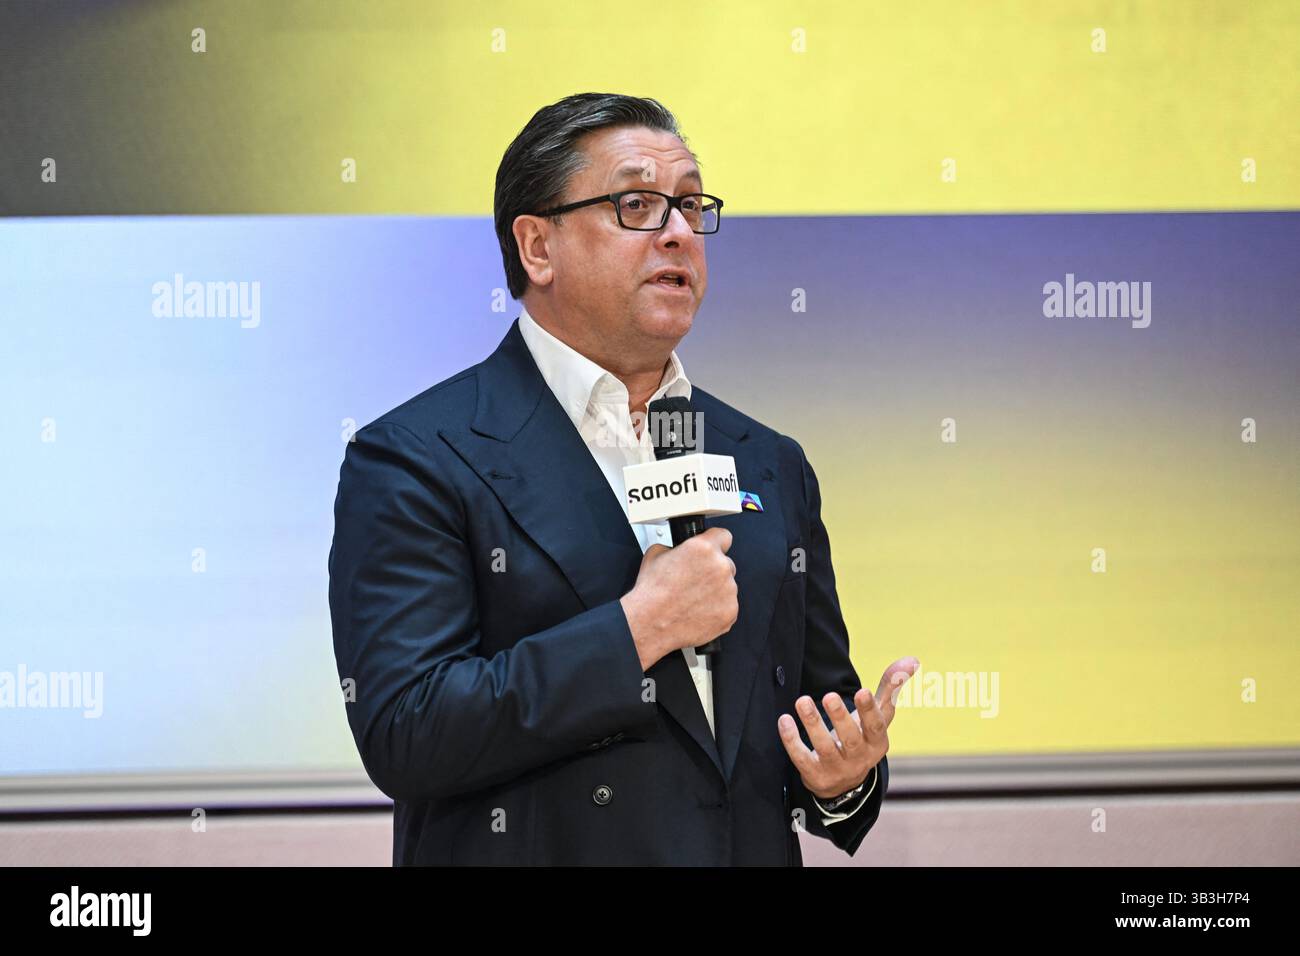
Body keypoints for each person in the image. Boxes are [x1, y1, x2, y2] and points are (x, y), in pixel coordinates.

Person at [328, 92, 917, 865]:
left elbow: (814, 716)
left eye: (690, 205)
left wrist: (843, 776)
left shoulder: (767, 460)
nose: (679, 232)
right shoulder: (418, 456)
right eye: (636, 204)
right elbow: (407, 731)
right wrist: (640, 628)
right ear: (537, 247)